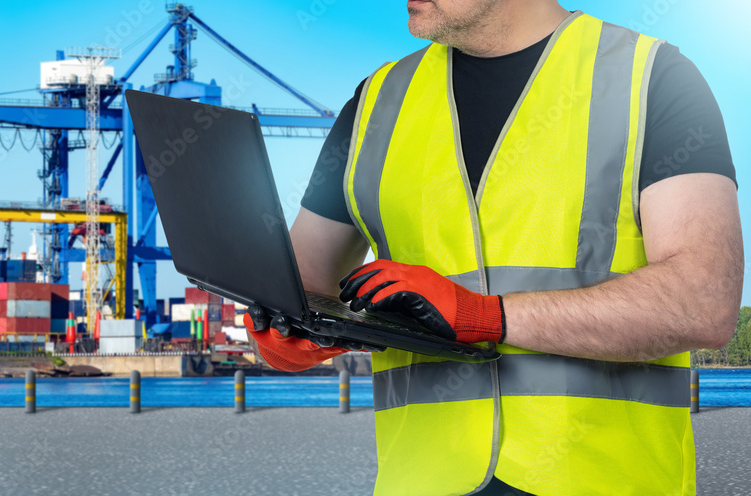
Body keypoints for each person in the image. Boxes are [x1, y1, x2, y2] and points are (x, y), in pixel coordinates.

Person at [242, 1, 742, 494]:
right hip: (420, 478)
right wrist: (288, 334)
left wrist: (483, 316)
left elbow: (702, 300)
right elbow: (304, 280)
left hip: (603, 479)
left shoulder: (651, 77)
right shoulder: (376, 102)